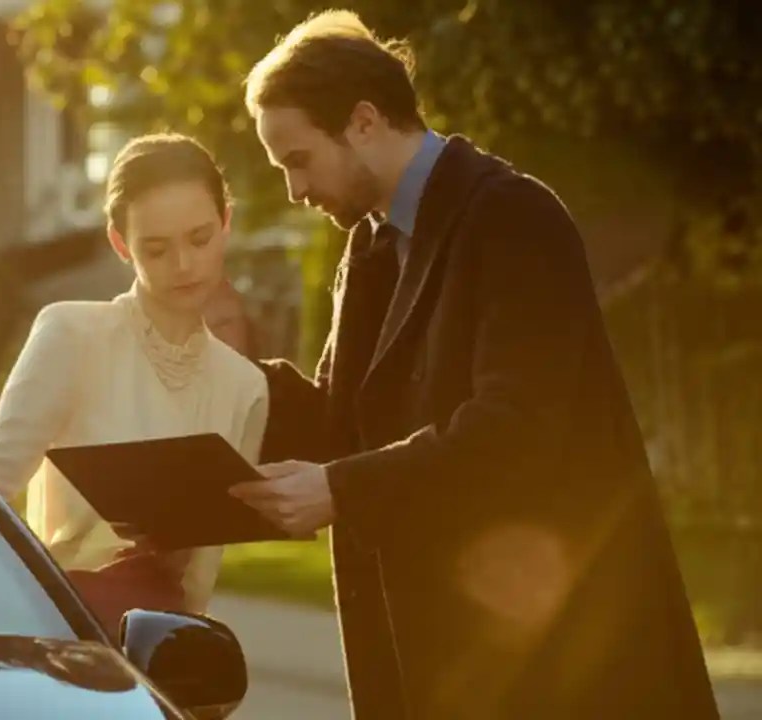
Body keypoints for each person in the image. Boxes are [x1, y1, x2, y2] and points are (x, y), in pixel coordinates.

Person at [227, 10, 718, 719]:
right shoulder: (369, 248)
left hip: (559, 662)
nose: (295, 192)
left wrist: (343, 488)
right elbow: (345, 422)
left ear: (364, 121)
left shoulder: (513, 217)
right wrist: (208, 370)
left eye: (297, 160)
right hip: (446, 664)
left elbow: (514, 433)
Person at [0, 133, 268, 638]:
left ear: (226, 222)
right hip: (60, 624)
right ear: (120, 244)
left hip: (165, 639)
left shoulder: (245, 386)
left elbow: (200, 579)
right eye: (156, 249)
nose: (183, 265)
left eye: (200, 238)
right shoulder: (71, 334)